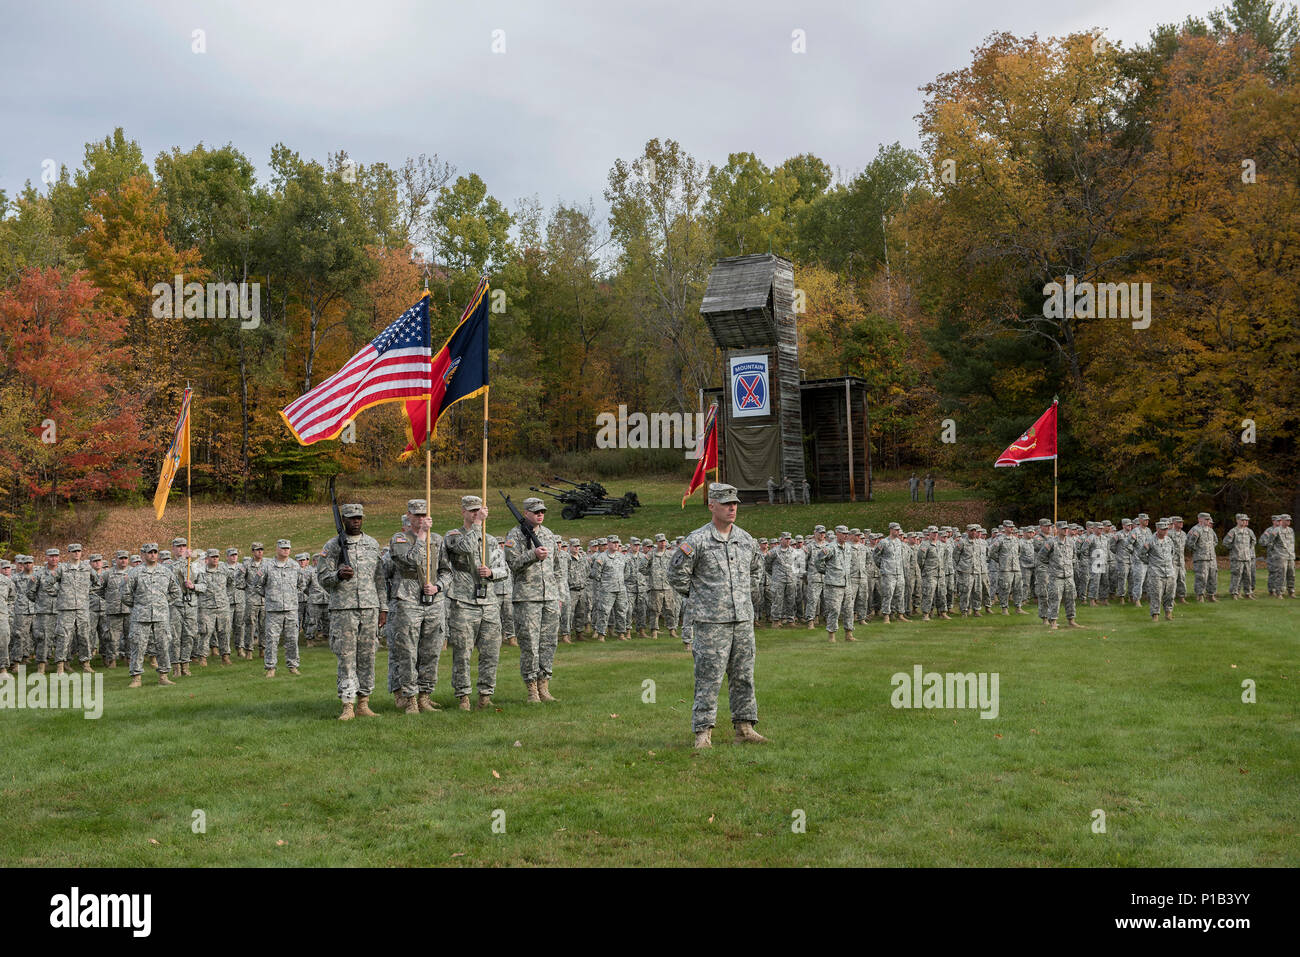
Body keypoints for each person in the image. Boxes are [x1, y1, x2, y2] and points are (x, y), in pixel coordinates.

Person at [668, 483, 766, 749]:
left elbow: (757, 572)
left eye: (734, 503)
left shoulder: (746, 540)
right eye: (726, 504)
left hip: (742, 620)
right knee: (708, 677)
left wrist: (745, 596)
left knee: (744, 675)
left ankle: (745, 727)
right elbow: (676, 574)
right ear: (712, 505)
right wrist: (701, 598)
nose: (732, 508)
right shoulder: (697, 540)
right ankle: (703, 732)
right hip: (711, 623)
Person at [318, 505, 386, 720]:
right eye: (351, 518)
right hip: (343, 609)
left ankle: (364, 702)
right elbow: (321, 578)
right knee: (346, 657)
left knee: (367, 656)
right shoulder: (333, 545)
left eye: (359, 518)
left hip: (369, 607)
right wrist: (337, 575)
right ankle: (348, 704)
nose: (356, 521)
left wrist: (383, 607)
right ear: (344, 520)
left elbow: (380, 580)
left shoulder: (372, 544)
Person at [441, 495, 510, 710]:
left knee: (491, 651)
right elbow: (465, 547)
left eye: (478, 510)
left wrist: (491, 573)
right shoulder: (452, 536)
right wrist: (477, 524)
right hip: (463, 600)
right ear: (462, 511)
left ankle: (485, 695)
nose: (474, 513)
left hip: (488, 601)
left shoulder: (490, 540)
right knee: (462, 652)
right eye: (471, 511)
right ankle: (463, 696)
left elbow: (504, 569)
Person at [388, 499, 450, 714]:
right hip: (408, 599)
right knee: (408, 651)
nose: (421, 519)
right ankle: (410, 698)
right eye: (417, 515)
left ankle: (425, 695)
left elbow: (446, 570)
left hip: (433, 601)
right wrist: (422, 536)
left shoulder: (438, 540)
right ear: (409, 516)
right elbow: (410, 560)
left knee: (431, 650)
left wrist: (439, 586)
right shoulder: (399, 539)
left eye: (424, 515)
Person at [505, 496, 562, 703]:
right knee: (530, 644)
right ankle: (531, 689)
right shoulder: (515, 535)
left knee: (548, 643)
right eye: (536, 511)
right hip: (527, 598)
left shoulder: (548, 534)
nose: (540, 514)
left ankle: (544, 685)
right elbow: (512, 563)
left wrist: (559, 595)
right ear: (526, 513)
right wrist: (532, 555)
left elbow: (557, 568)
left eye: (543, 511)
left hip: (549, 597)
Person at [122, 543, 178, 687]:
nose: (153, 554)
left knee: (163, 645)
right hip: (141, 617)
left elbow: (175, 591)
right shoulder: (135, 572)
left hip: (161, 616)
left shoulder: (166, 572)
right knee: (138, 646)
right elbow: (125, 594)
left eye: (155, 552)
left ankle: (163, 676)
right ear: (143, 554)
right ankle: (136, 678)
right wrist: (138, 606)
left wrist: (164, 604)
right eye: (149, 552)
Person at [259, 539, 301, 677]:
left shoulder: (295, 566)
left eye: (288, 548)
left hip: (291, 609)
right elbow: (258, 585)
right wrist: (271, 597)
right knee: (271, 640)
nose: (285, 550)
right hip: (273, 609)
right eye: (283, 548)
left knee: (292, 639)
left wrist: (292, 597)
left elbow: (302, 584)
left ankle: (293, 666)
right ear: (277, 549)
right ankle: (270, 668)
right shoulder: (267, 566)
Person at [1221, 514, 1257, 599]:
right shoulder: (1233, 531)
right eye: (1242, 520)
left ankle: (1248, 593)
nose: (1244, 521)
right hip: (1237, 558)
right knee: (1236, 576)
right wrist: (1234, 549)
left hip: (1247, 558)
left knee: (1248, 576)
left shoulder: (1248, 531)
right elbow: (1225, 542)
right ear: (1237, 520)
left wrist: (1249, 549)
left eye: (1245, 520)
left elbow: (1254, 540)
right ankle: (1234, 593)